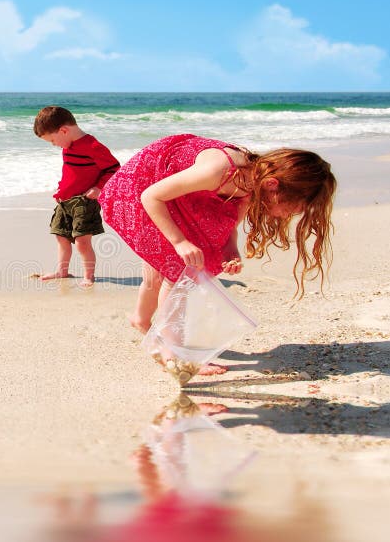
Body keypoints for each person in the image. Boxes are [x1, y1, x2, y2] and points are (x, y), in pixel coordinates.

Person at [98, 134, 335, 374]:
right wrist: (179, 242)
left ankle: (140, 319)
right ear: (273, 184)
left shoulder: (253, 185)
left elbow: (229, 224)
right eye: (292, 207)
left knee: (167, 264)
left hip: (174, 193)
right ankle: (175, 354)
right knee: (178, 271)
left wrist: (230, 250)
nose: (288, 215)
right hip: (141, 188)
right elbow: (151, 196)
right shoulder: (220, 171)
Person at [34, 106, 120, 287]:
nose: (53, 144)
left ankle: (89, 275)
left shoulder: (92, 146)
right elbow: (71, 173)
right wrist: (61, 190)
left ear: (63, 131)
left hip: (83, 201)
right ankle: (62, 271)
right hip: (64, 201)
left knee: (82, 241)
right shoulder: (68, 146)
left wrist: (98, 187)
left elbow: (113, 169)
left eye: (52, 140)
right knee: (61, 237)